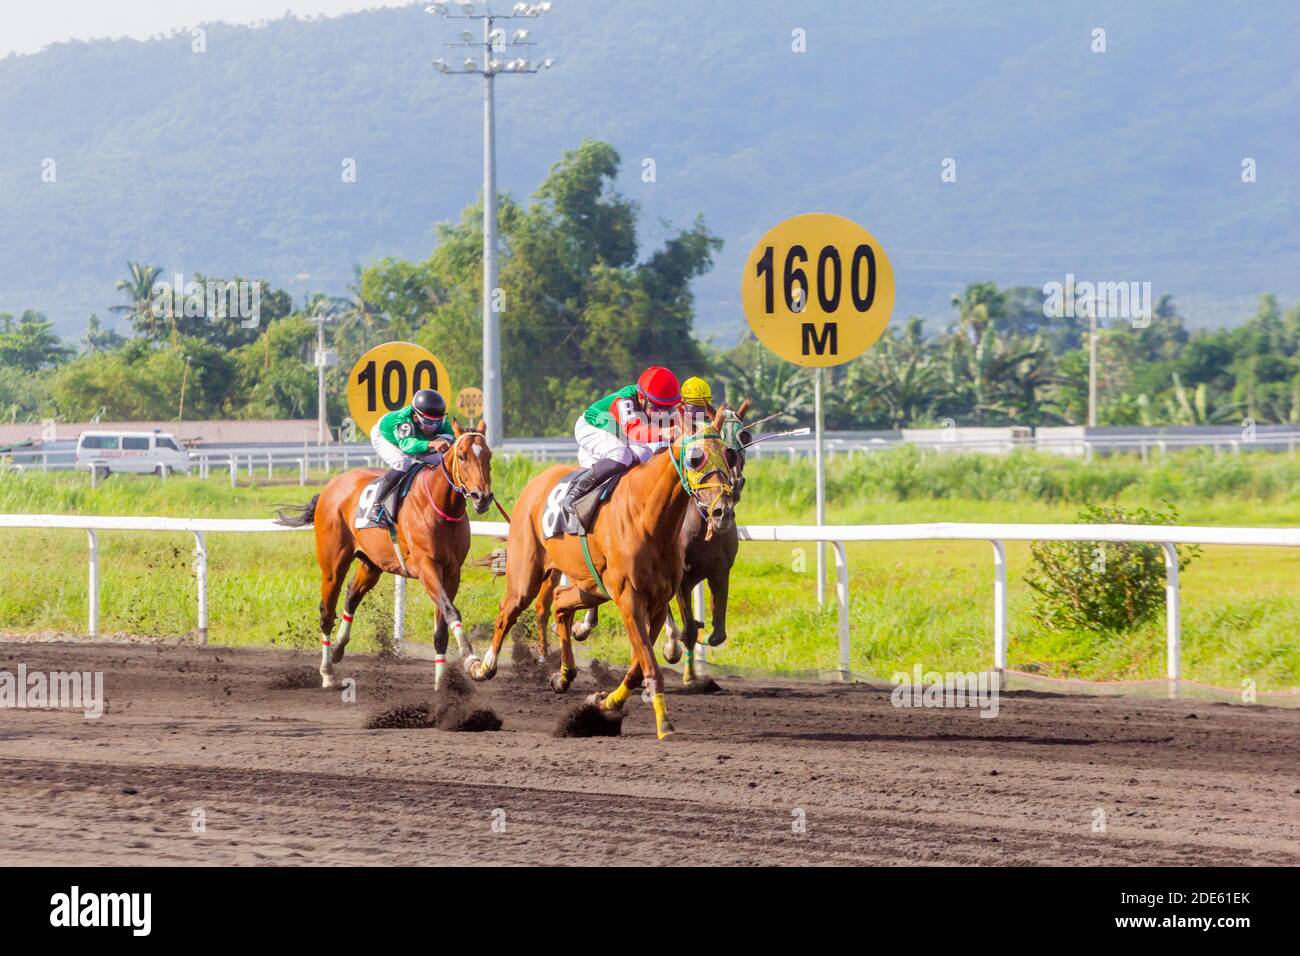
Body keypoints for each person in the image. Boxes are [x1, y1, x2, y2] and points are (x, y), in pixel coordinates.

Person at [563, 365, 682, 511]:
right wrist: (663, 432)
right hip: (592, 427)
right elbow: (635, 431)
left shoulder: (656, 402)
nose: (662, 413)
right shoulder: (625, 401)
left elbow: (683, 423)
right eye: (657, 407)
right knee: (621, 455)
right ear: (641, 398)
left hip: (617, 431)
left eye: (667, 408)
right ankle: (575, 493)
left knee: (645, 455)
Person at [365, 388, 454, 524]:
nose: (433, 427)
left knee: (442, 462)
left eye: (437, 423)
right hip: (387, 438)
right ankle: (377, 504)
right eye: (428, 423)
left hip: (418, 440)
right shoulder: (403, 419)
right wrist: (431, 443)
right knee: (402, 462)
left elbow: (451, 437)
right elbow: (407, 446)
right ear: (415, 416)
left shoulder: (442, 422)